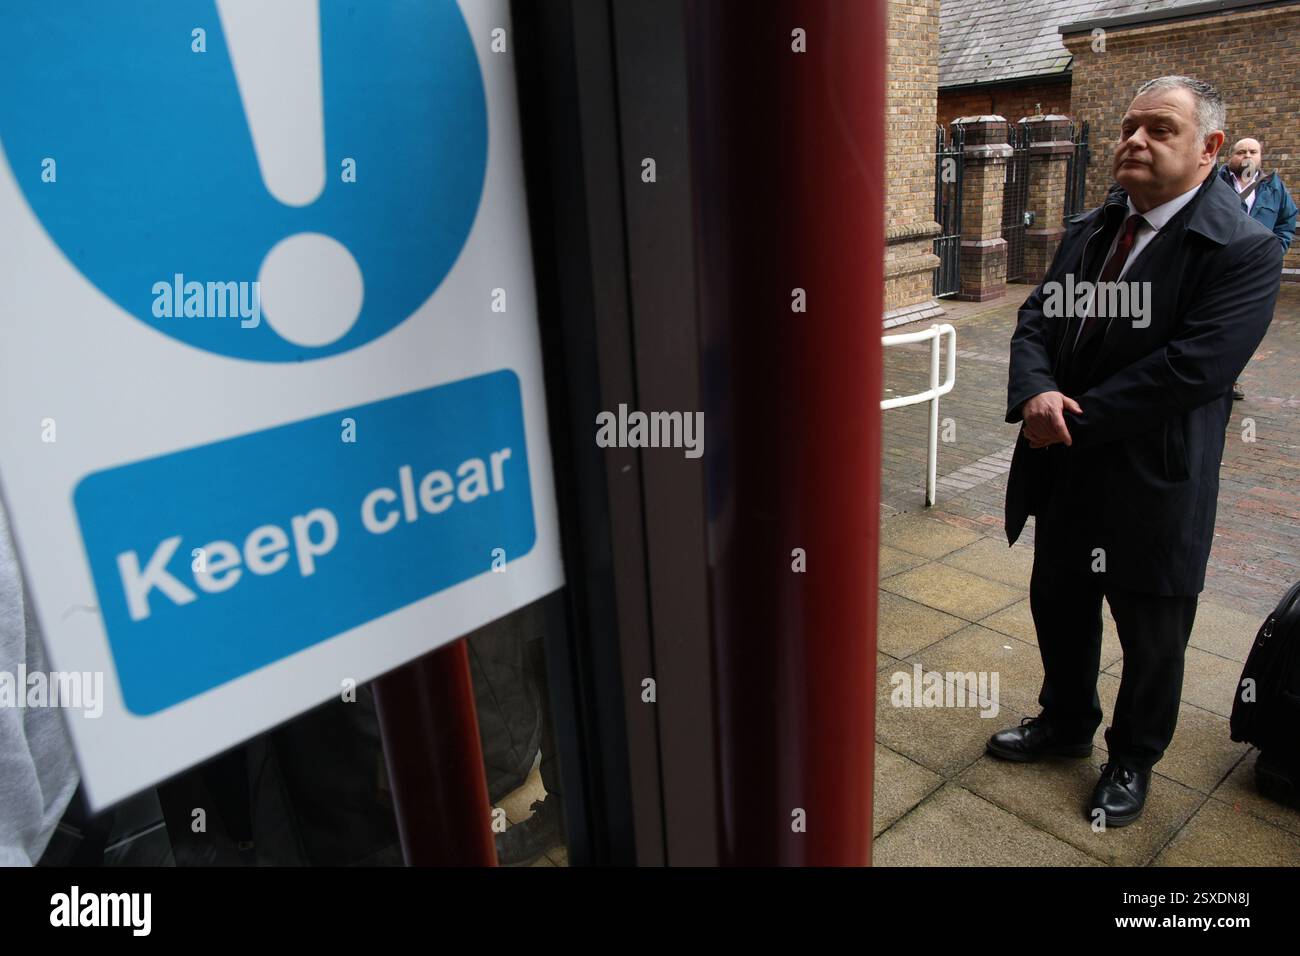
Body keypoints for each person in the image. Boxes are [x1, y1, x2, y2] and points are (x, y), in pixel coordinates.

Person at [990, 76, 1283, 827]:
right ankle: (1064, 724)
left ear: (1210, 149)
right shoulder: (1095, 225)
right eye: (1128, 126)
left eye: (1160, 129)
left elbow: (1193, 369)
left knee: (1152, 637)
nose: (1135, 141)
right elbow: (1035, 319)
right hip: (1064, 469)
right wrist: (1034, 393)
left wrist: (1067, 416)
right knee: (1060, 605)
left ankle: (1132, 758)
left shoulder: (1243, 249)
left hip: (1153, 482)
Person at [1217, 137, 1296, 399]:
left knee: (1245, 326)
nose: (1247, 156)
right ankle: (1214, 379)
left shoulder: (1274, 187)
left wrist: (1277, 248)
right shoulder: (1214, 183)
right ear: (1231, 156)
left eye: (1253, 151)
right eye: (1241, 152)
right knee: (1215, 321)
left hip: (1254, 271)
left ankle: (1230, 378)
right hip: (1218, 267)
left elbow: (1287, 219)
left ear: (1261, 157)